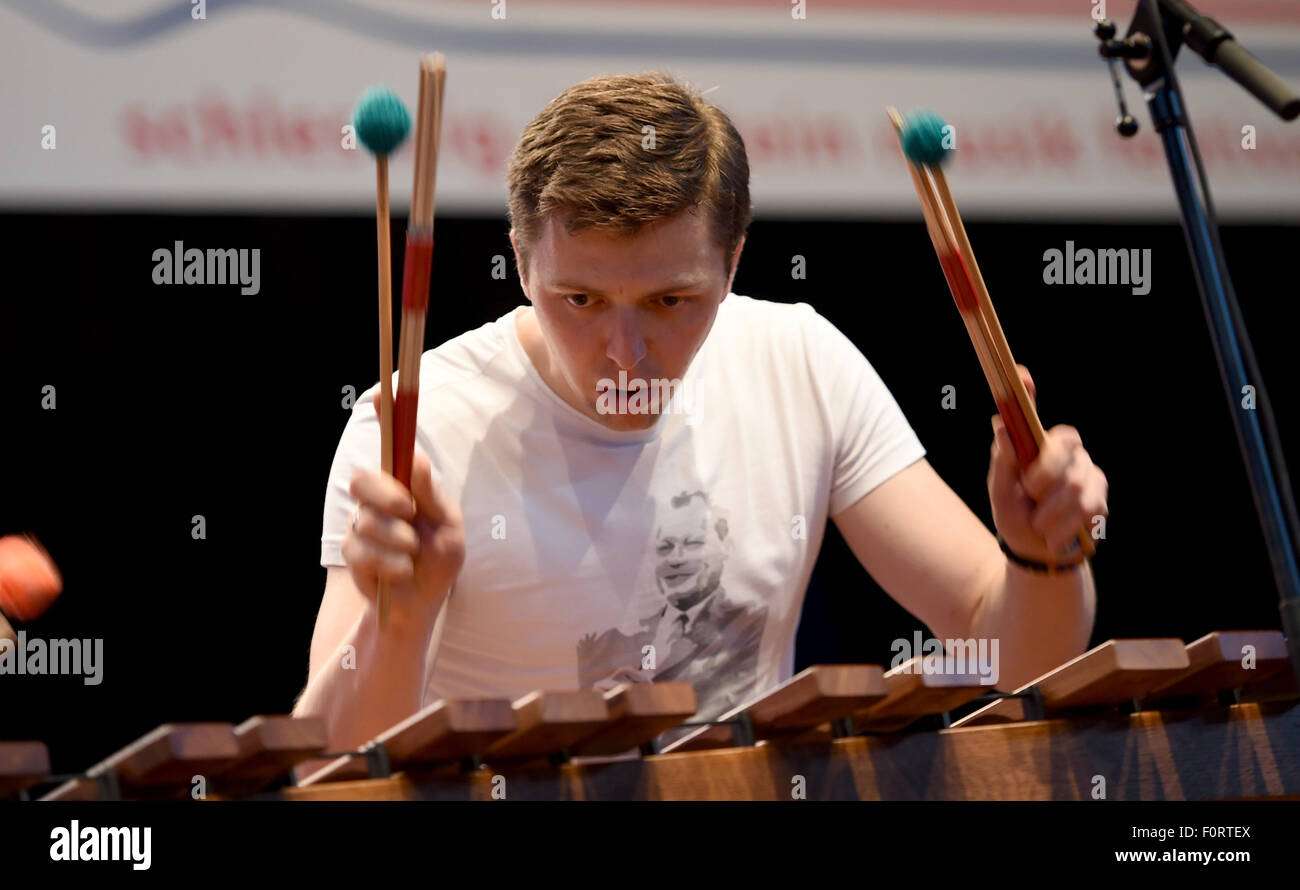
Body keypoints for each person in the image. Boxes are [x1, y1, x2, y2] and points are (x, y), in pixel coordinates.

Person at [292, 72, 1107, 761]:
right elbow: (328, 760)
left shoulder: (800, 362)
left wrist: (1042, 560)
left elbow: (1010, 655)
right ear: (518, 259)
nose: (624, 353)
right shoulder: (414, 428)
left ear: (735, 260)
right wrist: (399, 627)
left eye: (669, 301)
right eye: (578, 299)